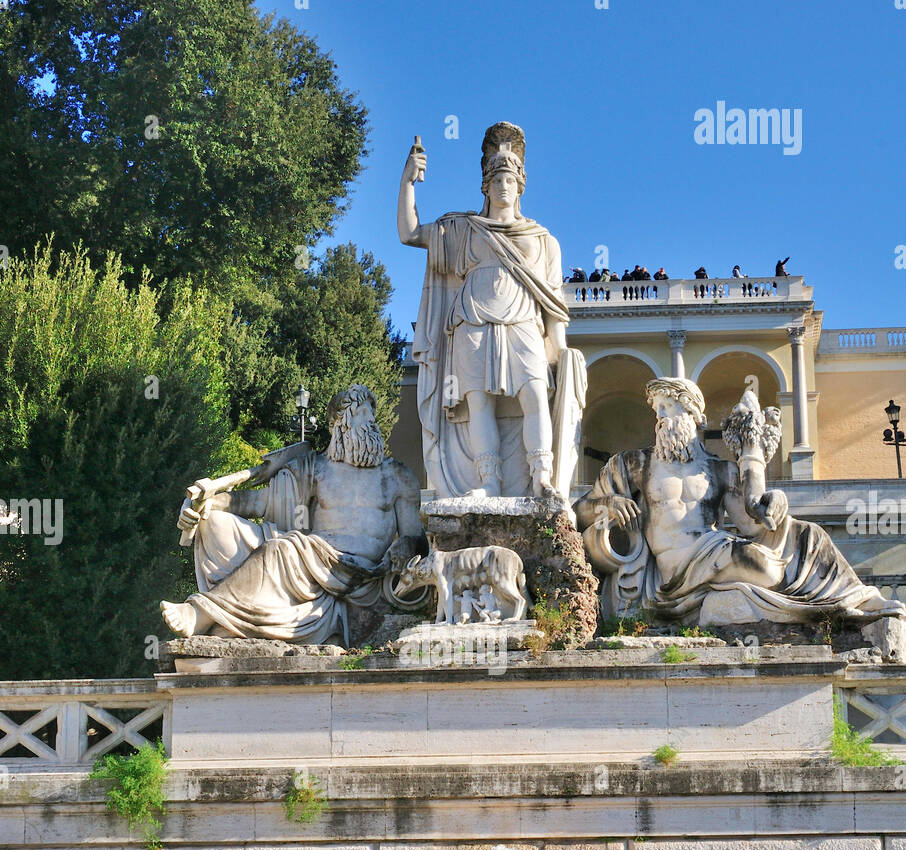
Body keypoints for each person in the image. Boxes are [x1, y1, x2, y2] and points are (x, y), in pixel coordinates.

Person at [576, 377, 905, 626]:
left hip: (712, 551)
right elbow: (580, 511)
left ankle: (858, 598)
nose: (660, 417)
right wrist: (609, 505)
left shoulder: (722, 471)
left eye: (668, 407)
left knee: (809, 535)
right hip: (667, 571)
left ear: (693, 414)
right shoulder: (633, 464)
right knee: (761, 564)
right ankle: (831, 605)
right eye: (657, 409)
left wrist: (773, 500)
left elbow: (752, 523)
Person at [160, 385, 425, 645]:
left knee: (281, 550)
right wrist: (207, 505)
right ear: (337, 428)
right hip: (314, 560)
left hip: (366, 574)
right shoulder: (315, 469)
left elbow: (416, 538)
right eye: (357, 416)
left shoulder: (397, 475)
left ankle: (202, 613)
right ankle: (234, 619)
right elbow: (259, 502)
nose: (368, 425)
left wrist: (406, 544)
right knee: (216, 523)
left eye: (370, 416)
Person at [399, 122, 578, 499]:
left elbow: (553, 306)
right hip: (472, 321)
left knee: (534, 394)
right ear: (486, 186)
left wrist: (562, 353)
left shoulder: (544, 240)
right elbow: (410, 233)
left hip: (523, 321)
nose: (502, 187)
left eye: (509, 181)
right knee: (478, 400)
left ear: (520, 185)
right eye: (496, 181)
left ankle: (541, 477)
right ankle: (489, 480)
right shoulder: (464, 230)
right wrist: (408, 183)